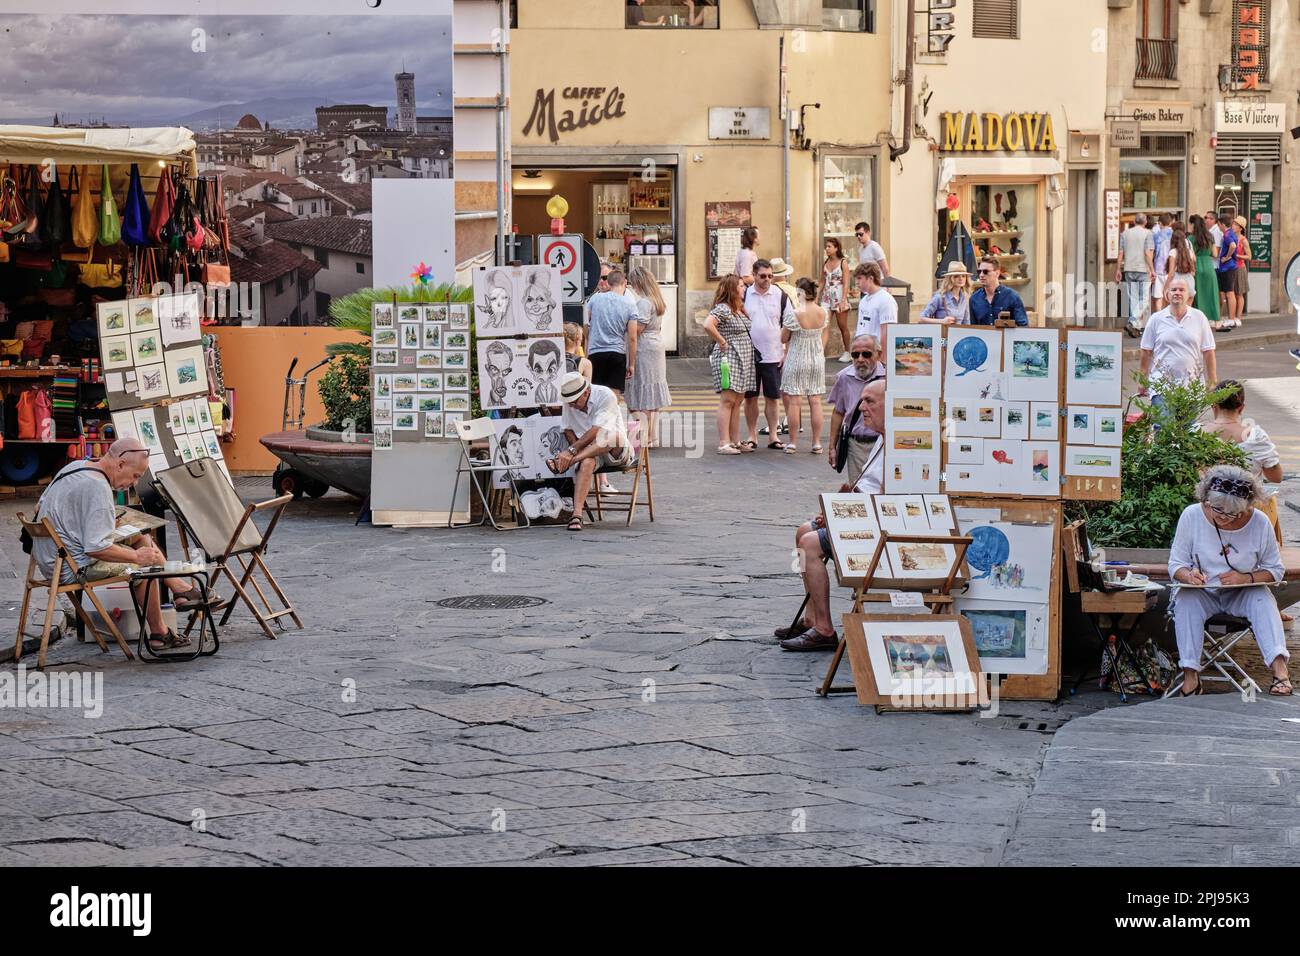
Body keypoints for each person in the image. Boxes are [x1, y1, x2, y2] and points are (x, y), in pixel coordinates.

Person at [32, 439, 223, 654]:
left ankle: (180, 589)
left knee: (140, 538)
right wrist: (135, 559)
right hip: (73, 568)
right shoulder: (98, 488)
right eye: (135, 476)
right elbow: (95, 548)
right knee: (144, 568)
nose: (133, 483)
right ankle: (160, 631)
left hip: (52, 557)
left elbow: (40, 506)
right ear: (121, 464)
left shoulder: (75, 467)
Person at [778, 380, 887, 651]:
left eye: (870, 401)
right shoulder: (883, 438)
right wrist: (841, 505)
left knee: (810, 544)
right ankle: (812, 617)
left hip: (880, 529)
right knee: (804, 531)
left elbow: (886, 502)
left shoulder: (899, 445)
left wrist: (844, 512)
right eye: (862, 401)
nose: (862, 408)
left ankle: (825, 629)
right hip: (864, 514)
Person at [1168, 465, 1291, 696]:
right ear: (1206, 500)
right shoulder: (1192, 515)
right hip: (1202, 592)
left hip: (1242, 591)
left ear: (1247, 507)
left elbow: (1275, 570)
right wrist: (1189, 575)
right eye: (1217, 510)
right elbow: (1176, 565)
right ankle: (1191, 676)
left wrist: (1245, 577)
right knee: (1185, 598)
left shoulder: (1260, 522)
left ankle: (1280, 672)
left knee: (1262, 598)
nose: (1223, 518)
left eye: (1233, 513)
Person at [1202, 380, 1284, 544]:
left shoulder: (1197, 433)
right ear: (1241, 408)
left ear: (1214, 406)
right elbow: (1276, 477)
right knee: (1267, 498)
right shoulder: (1255, 437)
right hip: (1247, 511)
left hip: (1208, 508)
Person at [551, 371, 632, 531]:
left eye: (574, 402)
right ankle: (577, 514)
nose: (571, 405)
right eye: (569, 403)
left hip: (615, 450)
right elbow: (567, 429)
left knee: (609, 436)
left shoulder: (605, 395)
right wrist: (577, 452)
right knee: (587, 462)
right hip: (588, 452)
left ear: (586, 393)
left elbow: (598, 430)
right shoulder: (570, 400)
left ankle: (572, 461)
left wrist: (572, 454)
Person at [744, 259, 796, 450]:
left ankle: (773, 435)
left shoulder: (780, 295)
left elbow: (790, 324)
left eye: (770, 276)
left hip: (773, 353)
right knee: (750, 397)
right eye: (763, 276)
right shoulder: (744, 294)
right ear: (754, 275)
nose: (767, 280)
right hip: (748, 354)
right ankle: (752, 435)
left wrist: (786, 352)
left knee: (772, 397)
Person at [1138, 276, 1216, 399]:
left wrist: (1212, 382)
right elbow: (1145, 351)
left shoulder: (1199, 317)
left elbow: (1208, 351)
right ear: (1167, 294)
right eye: (1174, 290)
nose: (1177, 293)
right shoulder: (1156, 319)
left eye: (1181, 290)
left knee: (1189, 419)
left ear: (1189, 295)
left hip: (1192, 387)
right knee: (1164, 419)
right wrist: (1142, 380)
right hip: (1161, 386)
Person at [704, 274, 755, 455]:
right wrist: (722, 342)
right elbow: (708, 324)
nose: (744, 289)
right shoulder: (724, 309)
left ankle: (734, 440)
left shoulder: (738, 308)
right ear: (732, 289)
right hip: (730, 357)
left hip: (743, 357)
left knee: (737, 400)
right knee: (728, 400)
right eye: (741, 286)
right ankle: (724, 442)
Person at [779, 277, 830, 455]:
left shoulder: (795, 313)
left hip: (797, 358)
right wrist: (819, 351)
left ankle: (792, 442)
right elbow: (824, 334)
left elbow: (783, 338)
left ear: (800, 293)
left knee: (794, 402)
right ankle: (816, 442)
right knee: (815, 401)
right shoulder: (823, 312)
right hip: (816, 359)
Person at [624, 266, 672, 447]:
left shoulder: (643, 303)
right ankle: (652, 435)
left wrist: (625, 322)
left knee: (641, 391)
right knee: (652, 393)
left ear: (638, 282)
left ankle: (644, 437)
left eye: (633, 282)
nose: (631, 286)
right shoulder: (656, 300)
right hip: (656, 346)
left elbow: (637, 330)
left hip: (644, 349)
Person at [827, 333, 886, 477]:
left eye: (866, 354)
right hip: (856, 445)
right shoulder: (844, 377)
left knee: (882, 491)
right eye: (855, 355)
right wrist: (832, 447)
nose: (860, 359)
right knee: (859, 490)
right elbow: (838, 412)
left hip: (882, 444)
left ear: (878, 354)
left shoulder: (889, 376)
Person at [583, 269, 638, 399]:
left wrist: (589, 338)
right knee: (614, 398)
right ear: (624, 283)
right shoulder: (630, 304)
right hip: (617, 354)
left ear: (608, 282)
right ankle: (611, 419)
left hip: (596, 353)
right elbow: (632, 337)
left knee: (595, 397)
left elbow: (586, 323)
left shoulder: (595, 299)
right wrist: (631, 364)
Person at [1116, 213, 1154, 337]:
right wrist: (1152, 269)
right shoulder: (1148, 233)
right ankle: (1133, 321)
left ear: (1134, 221)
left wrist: (1117, 269)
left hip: (1128, 268)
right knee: (1144, 299)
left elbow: (1120, 253)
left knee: (1133, 298)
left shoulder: (1125, 234)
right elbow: (1148, 253)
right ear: (1145, 222)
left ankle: (1135, 326)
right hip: (1143, 269)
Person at [969, 254, 1029, 326]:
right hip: (983, 337)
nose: (981, 275)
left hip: (1006, 337)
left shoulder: (1012, 297)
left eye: (985, 271)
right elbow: (973, 329)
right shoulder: (974, 299)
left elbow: (1023, 326)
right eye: (979, 271)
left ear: (997, 273)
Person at [819, 237, 853, 363]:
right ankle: (820, 353)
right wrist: (817, 296)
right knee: (824, 326)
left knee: (842, 326)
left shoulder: (843, 262)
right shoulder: (825, 262)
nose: (827, 249)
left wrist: (844, 299)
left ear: (836, 248)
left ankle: (847, 352)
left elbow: (846, 282)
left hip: (839, 297)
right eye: (826, 246)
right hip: (827, 297)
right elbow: (822, 281)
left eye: (829, 246)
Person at [1190, 215, 1222, 328]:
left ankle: (1199, 320)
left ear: (1193, 225)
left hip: (1197, 265)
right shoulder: (1210, 236)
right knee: (1212, 293)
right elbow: (1215, 254)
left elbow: (1191, 256)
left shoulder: (1191, 238)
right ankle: (1216, 319)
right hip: (1208, 265)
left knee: (1198, 294)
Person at [853, 262, 897, 340]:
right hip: (863, 349)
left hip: (877, 350)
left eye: (859, 278)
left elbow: (888, 333)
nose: (856, 282)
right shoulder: (863, 300)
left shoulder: (886, 300)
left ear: (870, 278)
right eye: (856, 278)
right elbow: (860, 328)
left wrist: (883, 352)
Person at [1216, 214, 1241, 330]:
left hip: (1228, 267)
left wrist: (1226, 257)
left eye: (1219, 224)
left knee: (1229, 293)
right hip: (1229, 267)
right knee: (1228, 292)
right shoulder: (1230, 233)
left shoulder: (1227, 234)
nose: (1218, 226)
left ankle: (1231, 319)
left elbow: (1233, 245)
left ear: (1222, 224)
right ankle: (1231, 318)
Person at [1164, 223, 1196, 307]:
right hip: (1189, 280)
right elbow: (1193, 271)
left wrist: (1166, 287)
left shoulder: (1173, 252)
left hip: (1177, 281)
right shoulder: (1190, 252)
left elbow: (1171, 273)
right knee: (1188, 311)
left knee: (1177, 311)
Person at [1150, 212, 1173, 311]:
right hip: (1170, 269)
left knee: (1158, 297)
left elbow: (1152, 252)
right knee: (1169, 295)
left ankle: (1159, 317)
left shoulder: (1155, 235)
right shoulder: (1174, 234)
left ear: (1160, 223)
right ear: (1170, 222)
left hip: (1158, 268)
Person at [1233, 215, 1251, 326]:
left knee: (1239, 293)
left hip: (1239, 268)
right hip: (1231, 267)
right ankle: (1233, 315)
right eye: (1233, 223)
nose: (1233, 226)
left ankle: (1238, 317)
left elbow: (1249, 256)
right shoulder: (1229, 236)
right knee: (1232, 293)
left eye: (1236, 225)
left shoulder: (1243, 240)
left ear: (1241, 228)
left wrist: (1238, 255)